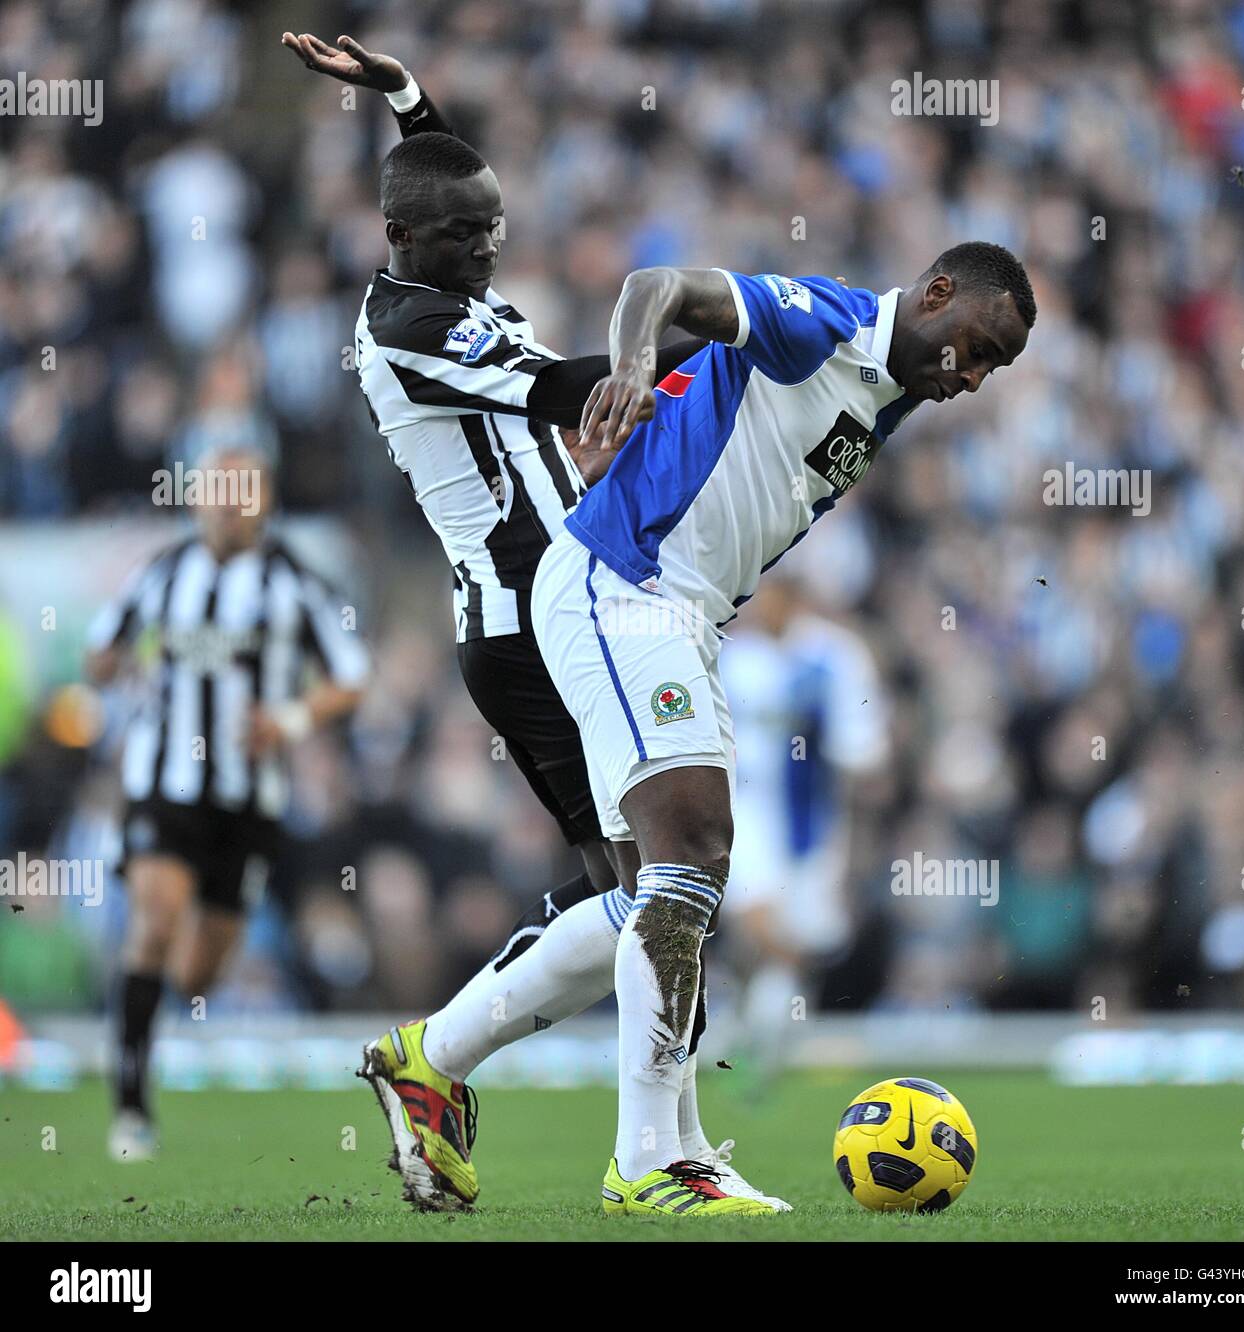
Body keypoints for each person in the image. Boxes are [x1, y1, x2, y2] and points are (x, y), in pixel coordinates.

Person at [281, 33, 783, 1213]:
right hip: (526, 631)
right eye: (465, 236)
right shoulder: (415, 328)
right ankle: (636, 1146)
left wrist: (403, 94)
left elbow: (441, 172)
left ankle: (443, 1067)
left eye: (494, 229)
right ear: (403, 241)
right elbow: (576, 389)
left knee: (658, 892)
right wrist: (731, 345)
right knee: (665, 887)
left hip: (566, 617)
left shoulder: (434, 266)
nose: (485, 247)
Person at [530, 245, 1035, 1214]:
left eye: (991, 370)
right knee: (696, 851)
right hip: (626, 585)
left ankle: (672, 1146)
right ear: (933, 294)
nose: (970, 378)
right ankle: (644, 1162)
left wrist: (661, 401)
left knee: (661, 884)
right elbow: (658, 288)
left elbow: (724, 410)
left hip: (678, 613)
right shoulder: (830, 322)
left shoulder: (886, 395)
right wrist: (633, 370)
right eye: (975, 347)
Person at [86, 446, 369, 1160]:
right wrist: (122, 668)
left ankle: (150, 1006)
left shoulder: (292, 584)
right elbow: (100, 652)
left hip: (248, 803)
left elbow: (350, 677)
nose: (227, 505)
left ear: (264, 503)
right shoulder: (162, 573)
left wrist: (291, 720)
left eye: (242, 492)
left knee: (199, 971)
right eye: (216, 491)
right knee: (153, 921)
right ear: (196, 499)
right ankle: (130, 1106)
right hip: (164, 785)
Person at [721, 574, 890, 1079]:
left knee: (803, 944)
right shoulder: (733, 657)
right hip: (744, 810)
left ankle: (761, 1042)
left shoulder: (833, 657)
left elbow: (861, 754)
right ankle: (766, 1029)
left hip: (814, 820)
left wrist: (858, 841)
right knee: (757, 918)